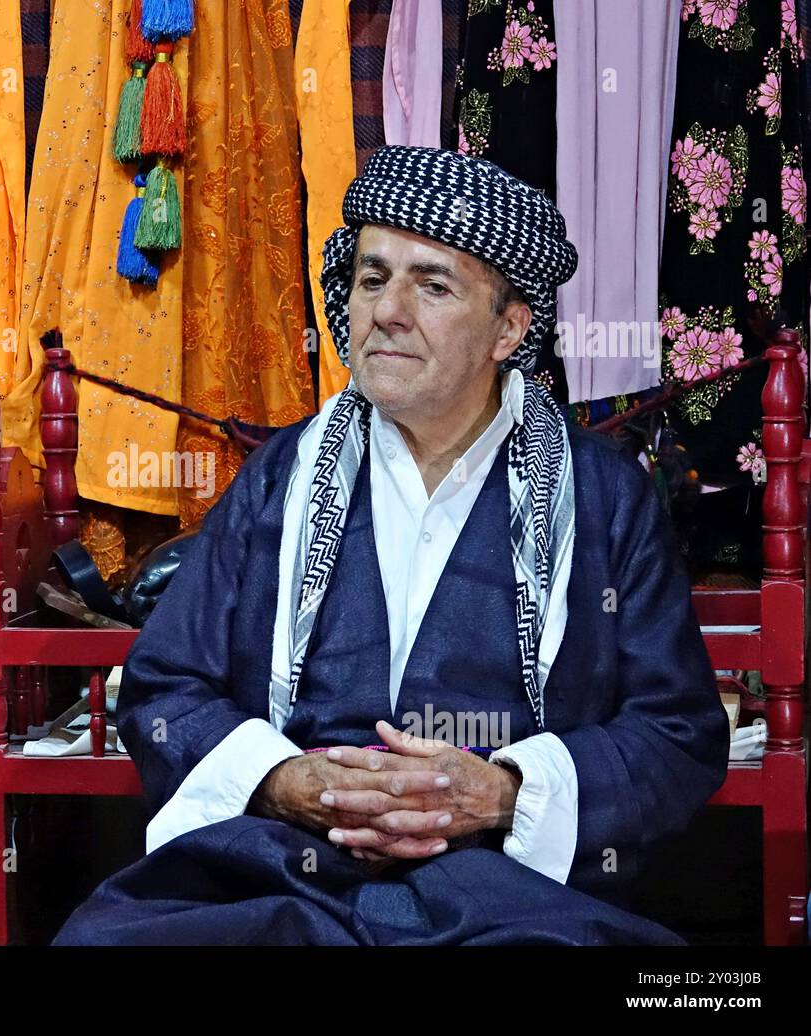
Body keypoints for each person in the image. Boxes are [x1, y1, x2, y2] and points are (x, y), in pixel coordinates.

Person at [54, 146, 730, 946]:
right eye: (372, 279)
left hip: (504, 892)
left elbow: (676, 731)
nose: (387, 311)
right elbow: (165, 687)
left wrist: (503, 790)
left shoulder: (601, 497)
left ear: (510, 327)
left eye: (431, 284)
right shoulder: (283, 477)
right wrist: (285, 780)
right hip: (280, 873)